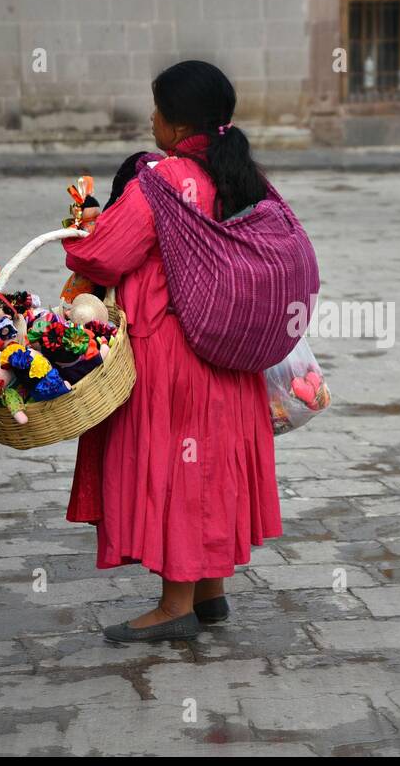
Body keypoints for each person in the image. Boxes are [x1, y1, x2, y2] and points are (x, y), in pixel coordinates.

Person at [62, 60, 283, 643]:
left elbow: (102, 257)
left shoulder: (160, 182)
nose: (152, 117)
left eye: (157, 107)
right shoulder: (244, 177)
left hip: (173, 353)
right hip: (229, 357)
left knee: (180, 467)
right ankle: (210, 594)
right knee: (210, 463)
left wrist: (84, 228)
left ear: (177, 119)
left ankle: (174, 605)